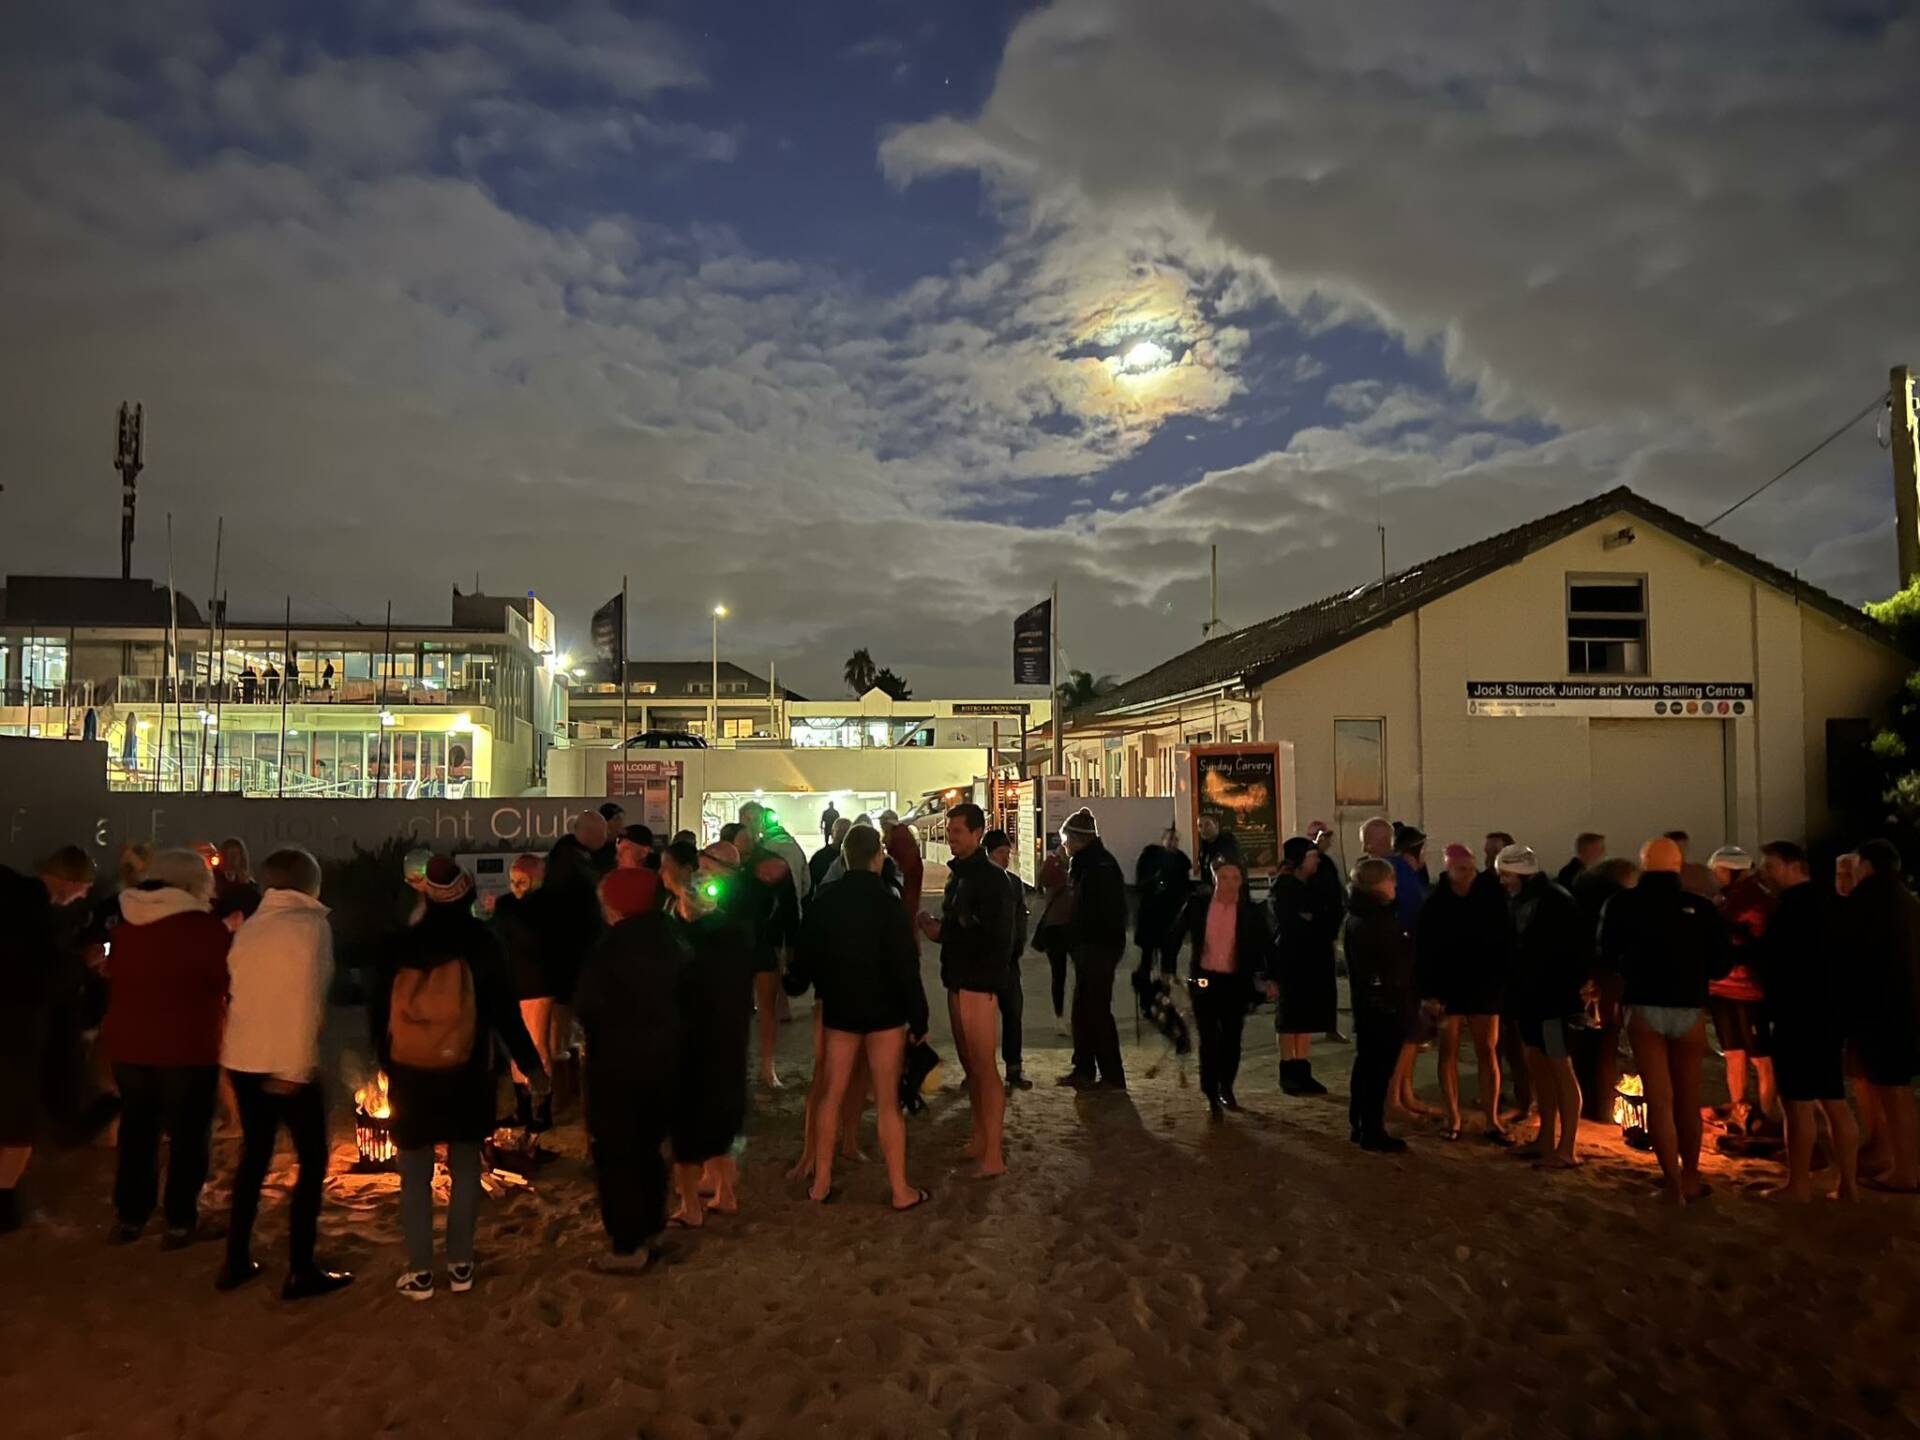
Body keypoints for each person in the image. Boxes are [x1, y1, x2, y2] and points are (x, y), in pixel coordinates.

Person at [371, 857, 547, 1300]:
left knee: (414, 1172)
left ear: (425, 895)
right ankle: (462, 1264)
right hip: (468, 1069)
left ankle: (419, 1272)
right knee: (466, 1166)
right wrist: (532, 1065)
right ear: (468, 896)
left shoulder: (400, 945)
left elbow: (377, 1015)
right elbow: (507, 1012)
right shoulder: (482, 942)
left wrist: (387, 1063)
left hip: (410, 1073)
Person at [218, 847, 351, 1298]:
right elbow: (306, 1000)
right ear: (310, 884)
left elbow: (236, 990)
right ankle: (300, 1267)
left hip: (243, 1057)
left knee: (253, 1159)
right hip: (286, 1061)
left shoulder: (252, 927)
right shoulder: (311, 928)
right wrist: (295, 1069)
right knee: (312, 1161)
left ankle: (236, 1259)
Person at [792, 823, 931, 1209]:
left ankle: (821, 1182)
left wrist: (795, 982)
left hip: (840, 1008)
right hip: (885, 1011)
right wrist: (918, 1018)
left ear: (843, 858)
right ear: (877, 857)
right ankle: (900, 1189)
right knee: (887, 1102)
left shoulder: (825, 902)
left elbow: (804, 959)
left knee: (831, 1095)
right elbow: (907, 967)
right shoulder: (890, 905)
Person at [101, 848, 232, 1247]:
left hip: (129, 1045)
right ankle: (179, 1219)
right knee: (189, 1136)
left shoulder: (126, 926)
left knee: (138, 1132)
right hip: (186, 1045)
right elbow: (222, 982)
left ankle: (130, 1216)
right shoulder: (204, 929)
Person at [1599, 837, 1731, 1205]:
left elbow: (1607, 954)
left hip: (1643, 1005)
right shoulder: (1700, 908)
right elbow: (1722, 963)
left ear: (1644, 865)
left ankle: (1671, 1182)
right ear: (1679, 866)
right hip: (1688, 1006)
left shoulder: (1622, 904)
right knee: (1688, 1097)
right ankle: (1690, 1175)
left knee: (1658, 1098)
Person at [572, 866, 679, 1271]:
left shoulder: (611, 950)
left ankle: (627, 1245)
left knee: (618, 1157)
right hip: (664, 1063)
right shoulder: (671, 939)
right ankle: (652, 1229)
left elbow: (588, 1007)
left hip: (617, 1067)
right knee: (651, 1151)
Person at [1754, 841, 1858, 1202]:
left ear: (1793, 865)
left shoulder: (1790, 909)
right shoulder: (1833, 904)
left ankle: (1798, 1184)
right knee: (1834, 1099)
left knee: (1797, 1104)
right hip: (1830, 1016)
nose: (1764, 872)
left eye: (1770, 865)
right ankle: (1849, 1185)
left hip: (1797, 1017)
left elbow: (1775, 966)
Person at [0, 846, 96, 1234]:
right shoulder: (34, 915)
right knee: (17, 1126)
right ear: (69, 881)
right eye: (84, 887)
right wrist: (81, 965)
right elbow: (38, 974)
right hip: (16, 1033)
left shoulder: (11, 896)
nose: (85, 896)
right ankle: (3, 1203)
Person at [917, 802, 1014, 1177]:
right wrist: (940, 930)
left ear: (977, 833)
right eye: (950, 831)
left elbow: (998, 938)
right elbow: (963, 929)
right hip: (960, 978)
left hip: (978, 982)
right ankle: (981, 1139)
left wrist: (954, 936)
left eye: (957, 831)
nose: (951, 838)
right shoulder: (963, 877)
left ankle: (993, 1154)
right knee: (973, 1068)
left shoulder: (990, 881)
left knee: (984, 1068)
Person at [666, 847, 756, 1228]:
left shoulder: (679, 940)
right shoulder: (736, 933)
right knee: (724, 1122)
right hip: (730, 1040)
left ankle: (690, 1206)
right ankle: (725, 1193)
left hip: (690, 1043)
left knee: (684, 1129)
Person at [1497, 845, 1587, 1167]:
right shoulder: (1526, 900)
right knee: (1539, 1067)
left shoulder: (1554, 902)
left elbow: (1571, 954)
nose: (1502, 881)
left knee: (1560, 1068)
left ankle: (1567, 1148)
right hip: (1531, 999)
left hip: (1551, 1000)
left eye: (1505, 875)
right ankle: (1546, 1137)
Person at [1840, 838, 1920, 1192]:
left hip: (1880, 1009)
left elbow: (1851, 955)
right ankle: (1899, 1160)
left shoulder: (1867, 900)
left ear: (1868, 865)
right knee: (1897, 1090)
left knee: (1892, 1090)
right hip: (1905, 1006)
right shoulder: (1906, 900)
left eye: (1856, 864)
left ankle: (1905, 1170)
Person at [1416, 843, 1511, 1141]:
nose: (1468, 874)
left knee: (1487, 1051)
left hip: (1483, 986)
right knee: (1449, 1051)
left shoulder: (1491, 897)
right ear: (1448, 869)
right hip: (1448, 988)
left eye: (1470, 868)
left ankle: (1492, 1119)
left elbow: (1503, 941)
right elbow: (1425, 951)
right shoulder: (1435, 904)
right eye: (1461, 869)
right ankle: (1452, 1116)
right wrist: (1429, 992)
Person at [1180, 853, 1269, 1117]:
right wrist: (1160, 963)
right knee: (1208, 1039)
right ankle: (1210, 1093)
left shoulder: (1251, 912)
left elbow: (1266, 946)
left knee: (1231, 1037)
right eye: (1224, 877)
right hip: (1205, 979)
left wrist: (1272, 977)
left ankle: (1225, 1085)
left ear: (1242, 881)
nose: (1230, 883)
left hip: (1235, 981)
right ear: (1214, 878)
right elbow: (1174, 933)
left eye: (1235, 878)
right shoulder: (1198, 905)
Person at [1706, 845, 1778, 1133]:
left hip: (1750, 989)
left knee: (1760, 1056)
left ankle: (1767, 1113)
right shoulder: (1727, 897)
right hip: (1723, 986)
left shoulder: (1755, 897)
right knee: (1733, 1052)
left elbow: (1723, 928)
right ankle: (1740, 1108)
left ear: (1730, 871)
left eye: (1718, 872)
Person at [1055, 807, 1127, 1091]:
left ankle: (1111, 1075)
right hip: (1092, 947)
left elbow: (1093, 912)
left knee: (1096, 1011)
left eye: (1065, 840)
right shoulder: (1091, 864)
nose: (1063, 846)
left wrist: (1079, 940)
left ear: (1076, 839)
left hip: (1099, 947)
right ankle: (1084, 1068)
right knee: (1083, 1010)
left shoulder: (1097, 868)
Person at [1344, 857, 1412, 1153]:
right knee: (1377, 1069)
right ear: (1378, 884)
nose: (1395, 884)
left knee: (1366, 1066)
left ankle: (1360, 1123)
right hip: (1383, 1007)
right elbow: (1388, 965)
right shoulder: (1376, 919)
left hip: (1370, 1004)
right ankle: (1372, 1128)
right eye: (1391, 879)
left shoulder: (1359, 916)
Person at [736, 805, 802, 1088]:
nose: (750, 826)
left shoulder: (773, 860)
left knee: (767, 1007)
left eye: (754, 820)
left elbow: (788, 903)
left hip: (765, 941)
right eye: (745, 821)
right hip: (735, 944)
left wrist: (791, 943)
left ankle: (767, 1067)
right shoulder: (727, 860)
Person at [491, 853, 556, 1132]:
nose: (516, 887)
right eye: (513, 882)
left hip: (536, 986)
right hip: (515, 983)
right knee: (520, 1048)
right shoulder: (510, 907)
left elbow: (530, 937)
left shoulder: (542, 907)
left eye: (522, 882)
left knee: (537, 1047)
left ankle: (540, 1109)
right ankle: (524, 1108)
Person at [1269, 837, 1338, 1094]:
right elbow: (1293, 923)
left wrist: (1314, 919)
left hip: (1311, 959)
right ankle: (1288, 1068)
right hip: (1291, 959)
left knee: (1306, 1015)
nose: (1317, 860)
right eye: (1311, 856)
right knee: (1290, 1016)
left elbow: (1324, 917)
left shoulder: (1313, 885)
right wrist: (1311, 920)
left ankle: (1302, 1067)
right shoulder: (1284, 888)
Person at [983, 829, 1032, 1091]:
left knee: (1013, 1013)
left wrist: (1017, 946)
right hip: (985, 962)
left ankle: (1014, 1068)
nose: (1006, 858)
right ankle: (980, 1070)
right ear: (989, 854)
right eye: (1002, 853)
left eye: (1008, 853)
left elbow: (1021, 918)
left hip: (1009, 962)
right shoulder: (978, 881)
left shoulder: (1014, 883)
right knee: (982, 1021)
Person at [1304, 821, 1348, 1042]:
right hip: (1310, 933)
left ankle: (1329, 1025)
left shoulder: (1327, 864)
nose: (1328, 841)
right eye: (1324, 837)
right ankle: (1305, 1025)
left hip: (1326, 931)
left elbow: (1335, 895)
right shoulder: (1304, 866)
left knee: (1327, 982)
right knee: (1309, 980)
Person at [1133, 828, 1191, 980]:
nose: (1173, 843)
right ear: (1163, 840)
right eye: (1170, 839)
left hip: (1171, 914)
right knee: (1147, 956)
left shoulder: (1181, 861)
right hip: (1151, 912)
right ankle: (1145, 987)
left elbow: (1184, 886)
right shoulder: (1150, 857)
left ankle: (1168, 987)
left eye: (1176, 840)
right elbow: (1141, 883)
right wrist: (1154, 880)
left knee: (1169, 956)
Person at [1033, 838, 1074, 1027]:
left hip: (1075, 925)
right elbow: (1041, 880)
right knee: (1059, 974)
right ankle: (1059, 1016)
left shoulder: (1080, 865)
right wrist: (1053, 861)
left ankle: (1078, 1014)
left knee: (1082, 971)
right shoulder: (1053, 864)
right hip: (1055, 926)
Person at [880, 809, 924, 918]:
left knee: (907, 907)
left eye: (882, 823)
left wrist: (897, 874)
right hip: (909, 873)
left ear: (888, 823)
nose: (881, 826)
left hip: (909, 876)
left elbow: (906, 861)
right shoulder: (898, 832)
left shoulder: (899, 835)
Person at [212, 837, 263, 931]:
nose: (231, 859)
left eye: (235, 855)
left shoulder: (249, 881)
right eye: (227, 855)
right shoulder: (214, 878)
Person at [1666, 830, 1720, 898]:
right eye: (1676, 848)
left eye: (1682, 848)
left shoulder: (1700, 872)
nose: (1680, 852)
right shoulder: (1656, 878)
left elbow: (1716, 896)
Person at [1194, 816, 1242, 887]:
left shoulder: (1228, 841)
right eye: (1200, 826)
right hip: (1213, 892)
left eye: (1207, 824)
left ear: (1216, 825)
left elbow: (1230, 862)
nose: (1203, 829)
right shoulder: (1204, 847)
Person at [810, 817, 852, 893]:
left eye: (847, 831)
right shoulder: (820, 856)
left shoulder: (856, 857)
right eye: (840, 831)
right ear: (832, 832)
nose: (843, 834)